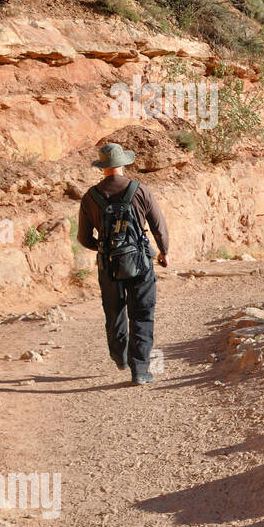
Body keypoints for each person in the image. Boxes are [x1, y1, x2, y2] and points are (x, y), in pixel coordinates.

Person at [76, 143, 170, 385]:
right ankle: (140, 371)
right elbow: (159, 227)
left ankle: (120, 358)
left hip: (108, 265)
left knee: (114, 311)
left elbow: (83, 238)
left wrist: (104, 248)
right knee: (141, 314)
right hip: (140, 262)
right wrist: (164, 252)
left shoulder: (90, 197)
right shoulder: (141, 191)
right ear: (123, 164)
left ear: (103, 167)